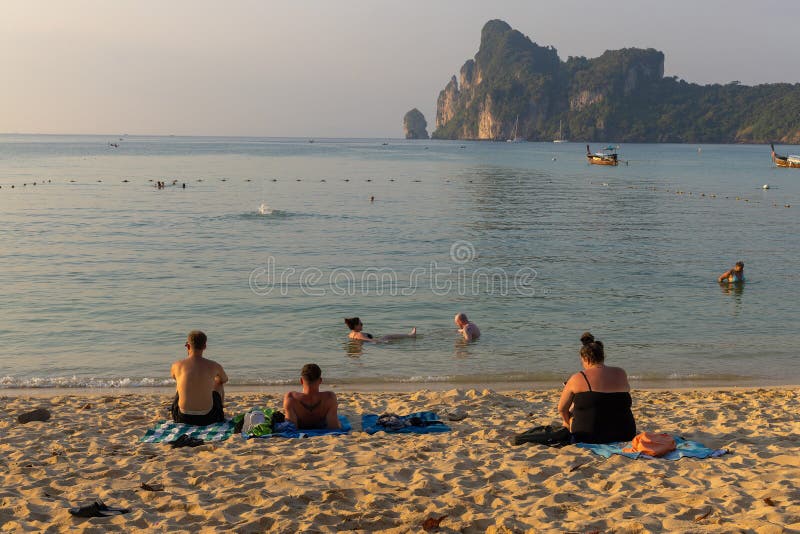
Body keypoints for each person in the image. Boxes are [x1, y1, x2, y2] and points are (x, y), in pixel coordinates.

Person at [557, 332, 636, 444]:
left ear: (585, 358)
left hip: (589, 435)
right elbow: (613, 399)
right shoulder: (620, 373)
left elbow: (561, 409)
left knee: (571, 411)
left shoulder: (578, 377)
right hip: (625, 434)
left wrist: (568, 421)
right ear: (603, 356)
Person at [170, 330, 228, 426]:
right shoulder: (214, 365)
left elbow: (175, 378)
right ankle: (220, 411)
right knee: (219, 383)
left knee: (180, 384)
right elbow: (224, 379)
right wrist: (209, 381)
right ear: (204, 347)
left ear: (188, 346)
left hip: (182, 417)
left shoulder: (176, 365)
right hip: (208, 418)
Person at [283, 364, 340, 430]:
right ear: (320, 380)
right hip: (320, 426)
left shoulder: (291, 398)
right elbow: (334, 427)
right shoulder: (330, 397)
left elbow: (292, 428)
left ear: (301, 381)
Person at [344, 317, 416, 342]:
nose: (362, 324)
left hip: (371, 343)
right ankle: (410, 335)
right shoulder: (358, 334)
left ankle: (410, 335)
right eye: (361, 324)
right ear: (356, 326)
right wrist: (383, 342)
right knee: (388, 336)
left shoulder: (351, 334)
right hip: (377, 342)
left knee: (389, 337)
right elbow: (370, 341)